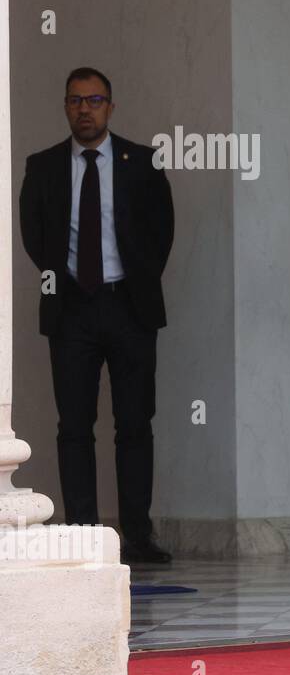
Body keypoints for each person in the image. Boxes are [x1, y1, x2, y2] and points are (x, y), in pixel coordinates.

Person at [18, 67, 175, 564]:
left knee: (134, 423)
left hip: (129, 306)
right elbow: (33, 235)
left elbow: (160, 232)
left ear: (111, 106)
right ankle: (84, 532)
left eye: (94, 100)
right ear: (65, 107)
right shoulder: (41, 166)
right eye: (75, 101)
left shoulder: (143, 163)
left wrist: (136, 281)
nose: (84, 109)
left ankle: (138, 535)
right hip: (71, 310)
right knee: (74, 425)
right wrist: (61, 280)